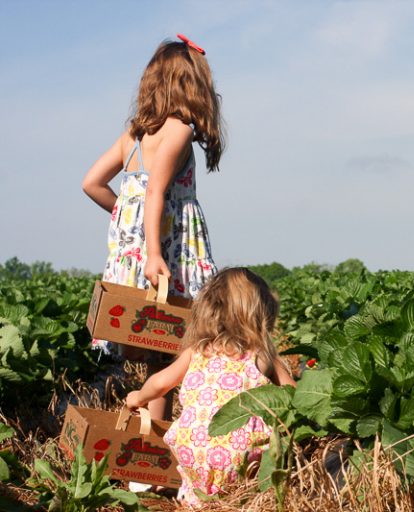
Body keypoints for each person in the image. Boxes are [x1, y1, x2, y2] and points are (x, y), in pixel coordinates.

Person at [82, 34, 222, 420]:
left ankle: (149, 442)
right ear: (192, 85)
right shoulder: (178, 129)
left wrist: (126, 221)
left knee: (157, 352)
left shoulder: (135, 134)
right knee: (171, 351)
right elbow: (157, 191)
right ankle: (155, 453)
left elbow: (91, 183)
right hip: (169, 256)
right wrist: (154, 251)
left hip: (137, 254)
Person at [126, 268, 296, 505]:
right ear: (262, 313)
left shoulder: (198, 351)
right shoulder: (262, 354)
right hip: (243, 452)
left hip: (192, 447)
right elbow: (294, 396)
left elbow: (160, 383)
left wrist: (137, 397)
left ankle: (196, 500)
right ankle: (244, 500)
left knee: (199, 487)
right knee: (261, 465)